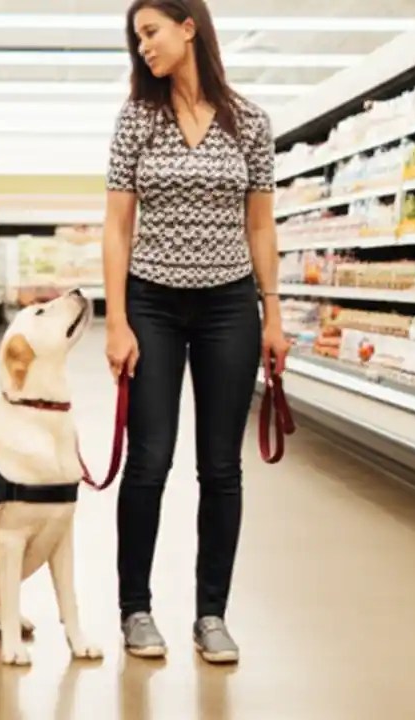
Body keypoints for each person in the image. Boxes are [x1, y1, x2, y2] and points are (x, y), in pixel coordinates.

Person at [101, 0, 290, 664]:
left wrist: (274, 312)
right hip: (151, 304)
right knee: (149, 461)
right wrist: (118, 320)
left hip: (229, 308)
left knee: (222, 467)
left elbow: (261, 226)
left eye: (151, 32)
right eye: (137, 38)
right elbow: (118, 227)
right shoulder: (135, 121)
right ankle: (135, 609)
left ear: (189, 27)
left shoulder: (251, 124)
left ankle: (211, 613)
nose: (143, 47)